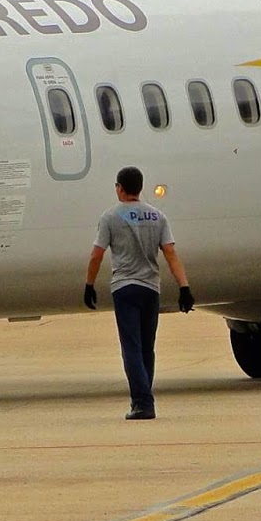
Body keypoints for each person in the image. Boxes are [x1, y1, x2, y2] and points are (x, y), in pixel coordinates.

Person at [82, 165, 194, 420]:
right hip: (150, 288)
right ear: (140, 188)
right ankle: (143, 397)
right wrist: (184, 287)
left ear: (120, 188)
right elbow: (171, 254)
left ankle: (142, 402)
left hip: (124, 287)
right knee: (147, 347)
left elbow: (96, 254)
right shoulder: (157, 216)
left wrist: (89, 285)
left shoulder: (110, 217)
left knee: (130, 347)